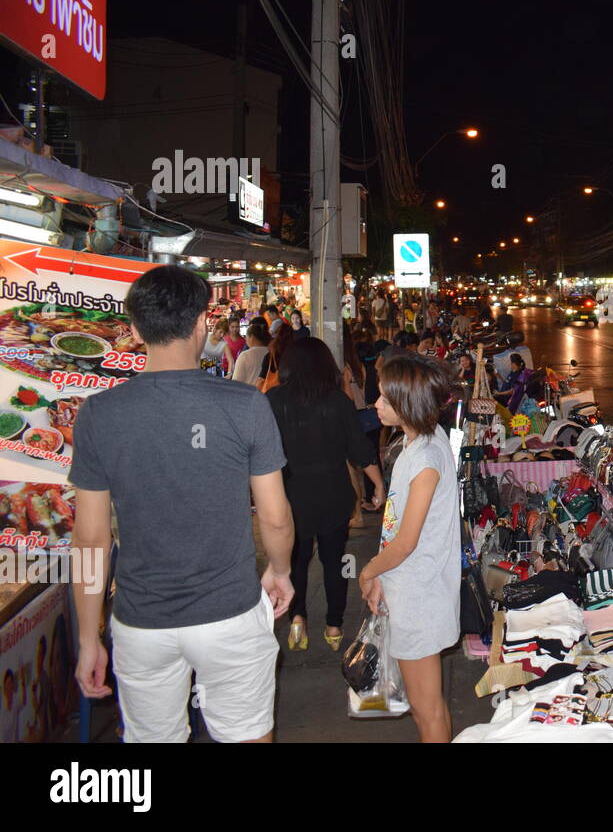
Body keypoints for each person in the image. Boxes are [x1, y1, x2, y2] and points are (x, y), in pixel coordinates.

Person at [69, 264, 294, 743]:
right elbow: (274, 517)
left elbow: (90, 540)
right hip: (230, 612)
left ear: (133, 332)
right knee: (248, 735)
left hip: (141, 620)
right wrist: (280, 570)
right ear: (200, 325)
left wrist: (89, 639)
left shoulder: (98, 415)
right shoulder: (245, 405)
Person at [360, 357, 459, 742]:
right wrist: (383, 575)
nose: (377, 404)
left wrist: (368, 570)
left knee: (427, 708)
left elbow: (405, 542)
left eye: (385, 398)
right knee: (423, 706)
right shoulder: (417, 445)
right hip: (410, 590)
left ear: (407, 404)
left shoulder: (426, 458)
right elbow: (395, 530)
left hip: (421, 597)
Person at [266, 339, 384, 653]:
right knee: (335, 561)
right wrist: (379, 486)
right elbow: (359, 450)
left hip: (289, 498)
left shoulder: (273, 400)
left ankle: (297, 619)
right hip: (333, 495)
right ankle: (333, 626)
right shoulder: (337, 401)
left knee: (295, 561)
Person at [232, 318, 272, 386]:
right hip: (268, 394)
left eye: (246, 337)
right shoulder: (272, 352)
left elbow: (236, 383)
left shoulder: (245, 355)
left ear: (252, 338)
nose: (245, 339)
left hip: (249, 394)